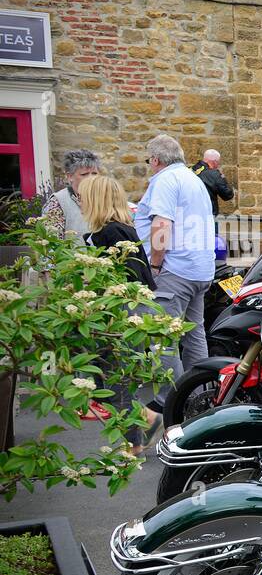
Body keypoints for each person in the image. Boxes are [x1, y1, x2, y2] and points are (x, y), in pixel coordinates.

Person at [133, 134, 215, 416]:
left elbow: (162, 224)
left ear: (155, 160)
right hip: (199, 268)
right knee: (194, 334)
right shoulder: (195, 179)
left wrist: (154, 265)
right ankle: (200, 398)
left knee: (162, 336)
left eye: (149, 161)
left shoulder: (166, 180)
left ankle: (172, 402)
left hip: (175, 269)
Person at [80, 173, 159, 454]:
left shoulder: (110, 233)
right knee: (113, 377)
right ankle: (145, 421)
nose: (79, 201)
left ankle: (134, 442)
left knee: (117, 379)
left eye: (83, 197)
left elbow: (128, 278)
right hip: (131, 308)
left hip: (123, 311)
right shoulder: (121, 229)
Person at [41, 149, 102, 239]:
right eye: (84, 174)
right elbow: (52, 243)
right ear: (70, 176)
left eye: (94, 173)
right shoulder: (58, 202)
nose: (91, 178)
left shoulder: (105, 197)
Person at [191, 149, 234, 222]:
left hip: (188, 215)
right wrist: (222, 176)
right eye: (218, 162)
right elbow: (228, 194)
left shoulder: (189, 170)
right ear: (214, 162)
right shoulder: (214, 174)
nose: (218, 165)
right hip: (208, 216)